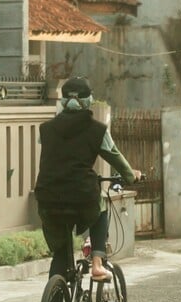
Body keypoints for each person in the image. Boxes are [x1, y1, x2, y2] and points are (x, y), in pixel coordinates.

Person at [34, 76, 140, 282]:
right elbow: (115, 156)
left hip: (47, 197)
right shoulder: (97, 130)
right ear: (89, 100)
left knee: (61, 254)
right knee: (100, 209)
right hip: (81, 196)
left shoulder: (45, 129)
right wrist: (130, 175)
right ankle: (98, 265)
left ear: (63, 101)